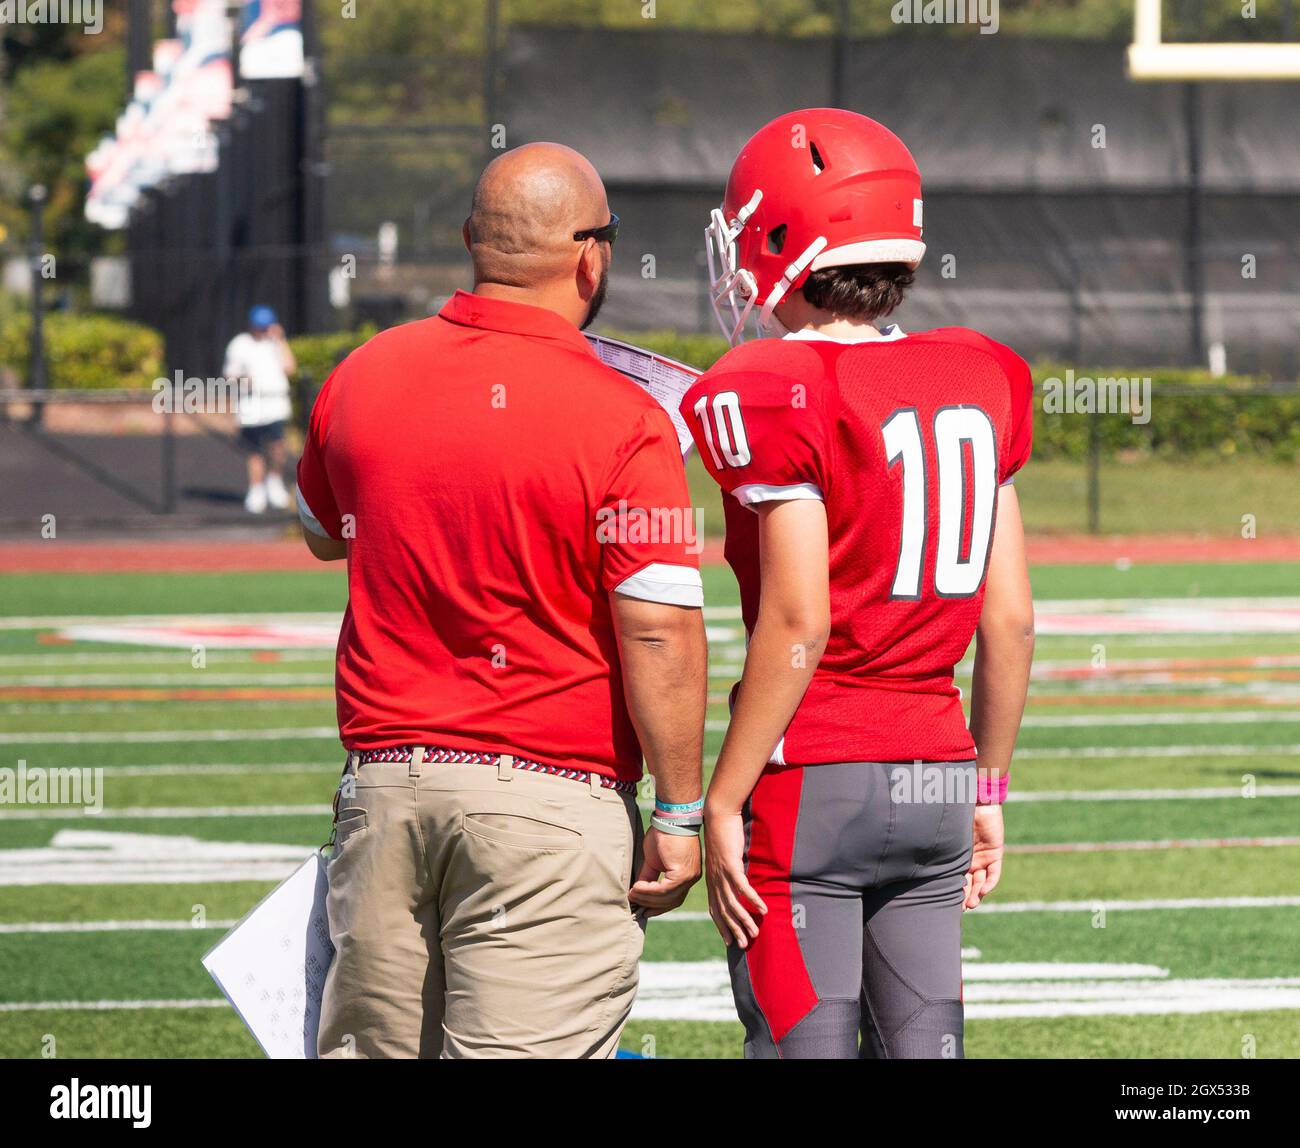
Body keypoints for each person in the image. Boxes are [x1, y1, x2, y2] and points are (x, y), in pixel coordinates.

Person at [296, 142, 707, 1059]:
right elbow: (659, 632)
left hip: (385, 793)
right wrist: (681, 814)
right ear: (590, 256)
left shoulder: (363, 372)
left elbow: (324, 529)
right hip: (549, 802)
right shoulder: (626, 417)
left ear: (472, 239)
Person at [682, 109, 1036, 1059]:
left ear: (780, 235)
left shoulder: (775, 383)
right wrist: (988, 786)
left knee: (807, 1043)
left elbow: (799, 620)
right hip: (938, 775)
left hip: (816, 780)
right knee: (924, 1045)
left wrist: (720, 799)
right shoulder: (980, 374)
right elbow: (1010, 620)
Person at [224, 305, 296, 513]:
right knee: (254, 451)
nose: (264, 331)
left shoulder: (276, 343)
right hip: (251, 408)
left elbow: (290, 368)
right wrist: (243, 379)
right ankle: (256, 490)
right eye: (260, 327)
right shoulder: (239, 344)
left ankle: (274, 482)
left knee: (278, 446)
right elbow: (230, 374)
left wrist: (280, 340)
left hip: (275, 406)